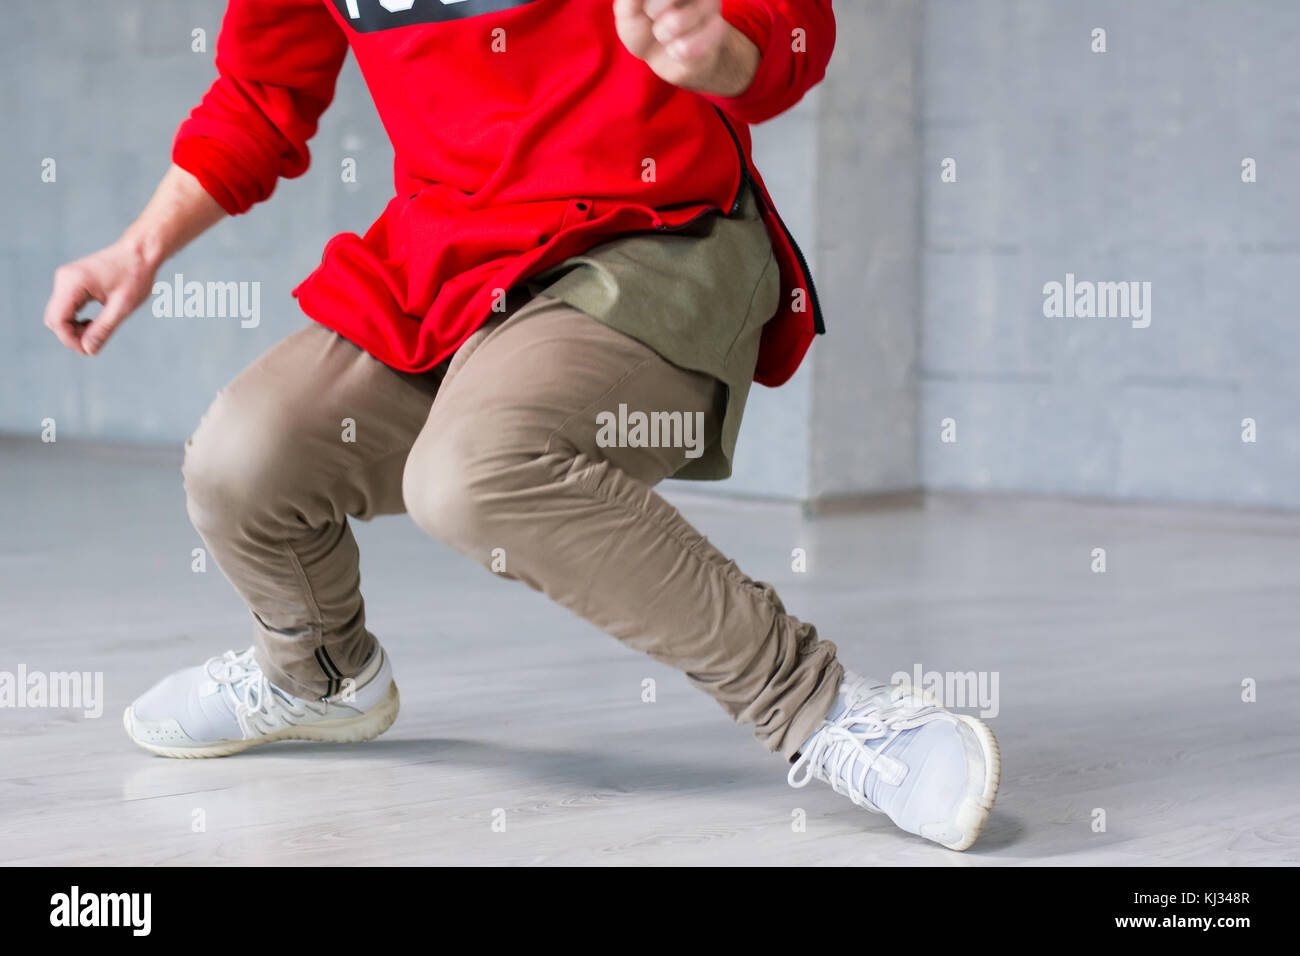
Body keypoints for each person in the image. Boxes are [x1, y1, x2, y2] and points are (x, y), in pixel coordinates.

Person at [43, 0, 1000, 851]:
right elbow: (261, 95)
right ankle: (319, 677)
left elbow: (791, 20)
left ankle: (822, 709)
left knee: (472, 473)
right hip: (452, 258)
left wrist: (726, 52)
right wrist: (139, 249)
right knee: (243, 461)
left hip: (657, 229)